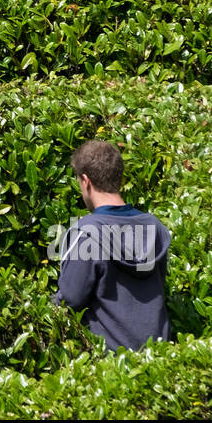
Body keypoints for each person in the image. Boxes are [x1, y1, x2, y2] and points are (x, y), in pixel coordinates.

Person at [52, 140, 173, 353]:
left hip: (111, 367)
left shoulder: (86, 233)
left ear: (85, 181)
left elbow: (70, 300)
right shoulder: (155, 227)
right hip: (160, 359)